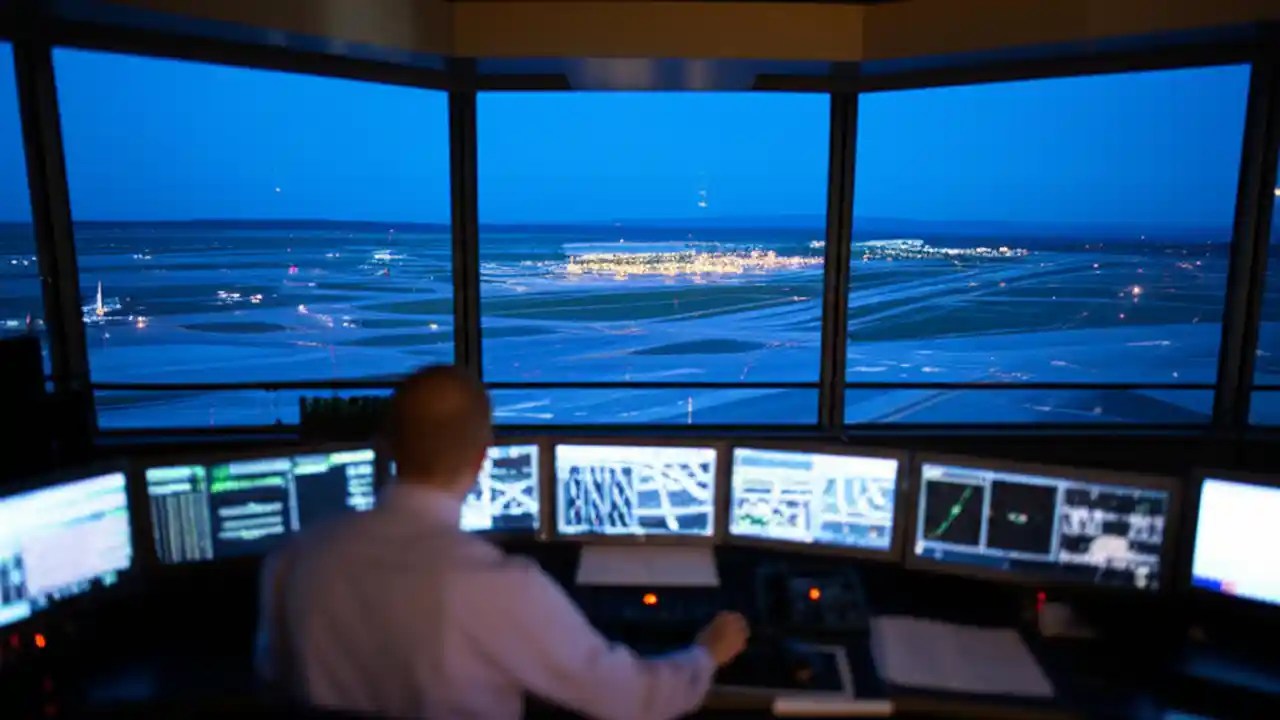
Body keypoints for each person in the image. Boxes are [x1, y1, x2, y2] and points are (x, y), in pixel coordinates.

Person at [256, 365, 750, 719]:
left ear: (383, 448)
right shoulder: (497, 587)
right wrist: (705, 653)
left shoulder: (294, 558)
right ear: (481, 459)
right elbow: (632, 700)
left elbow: (274, 672)